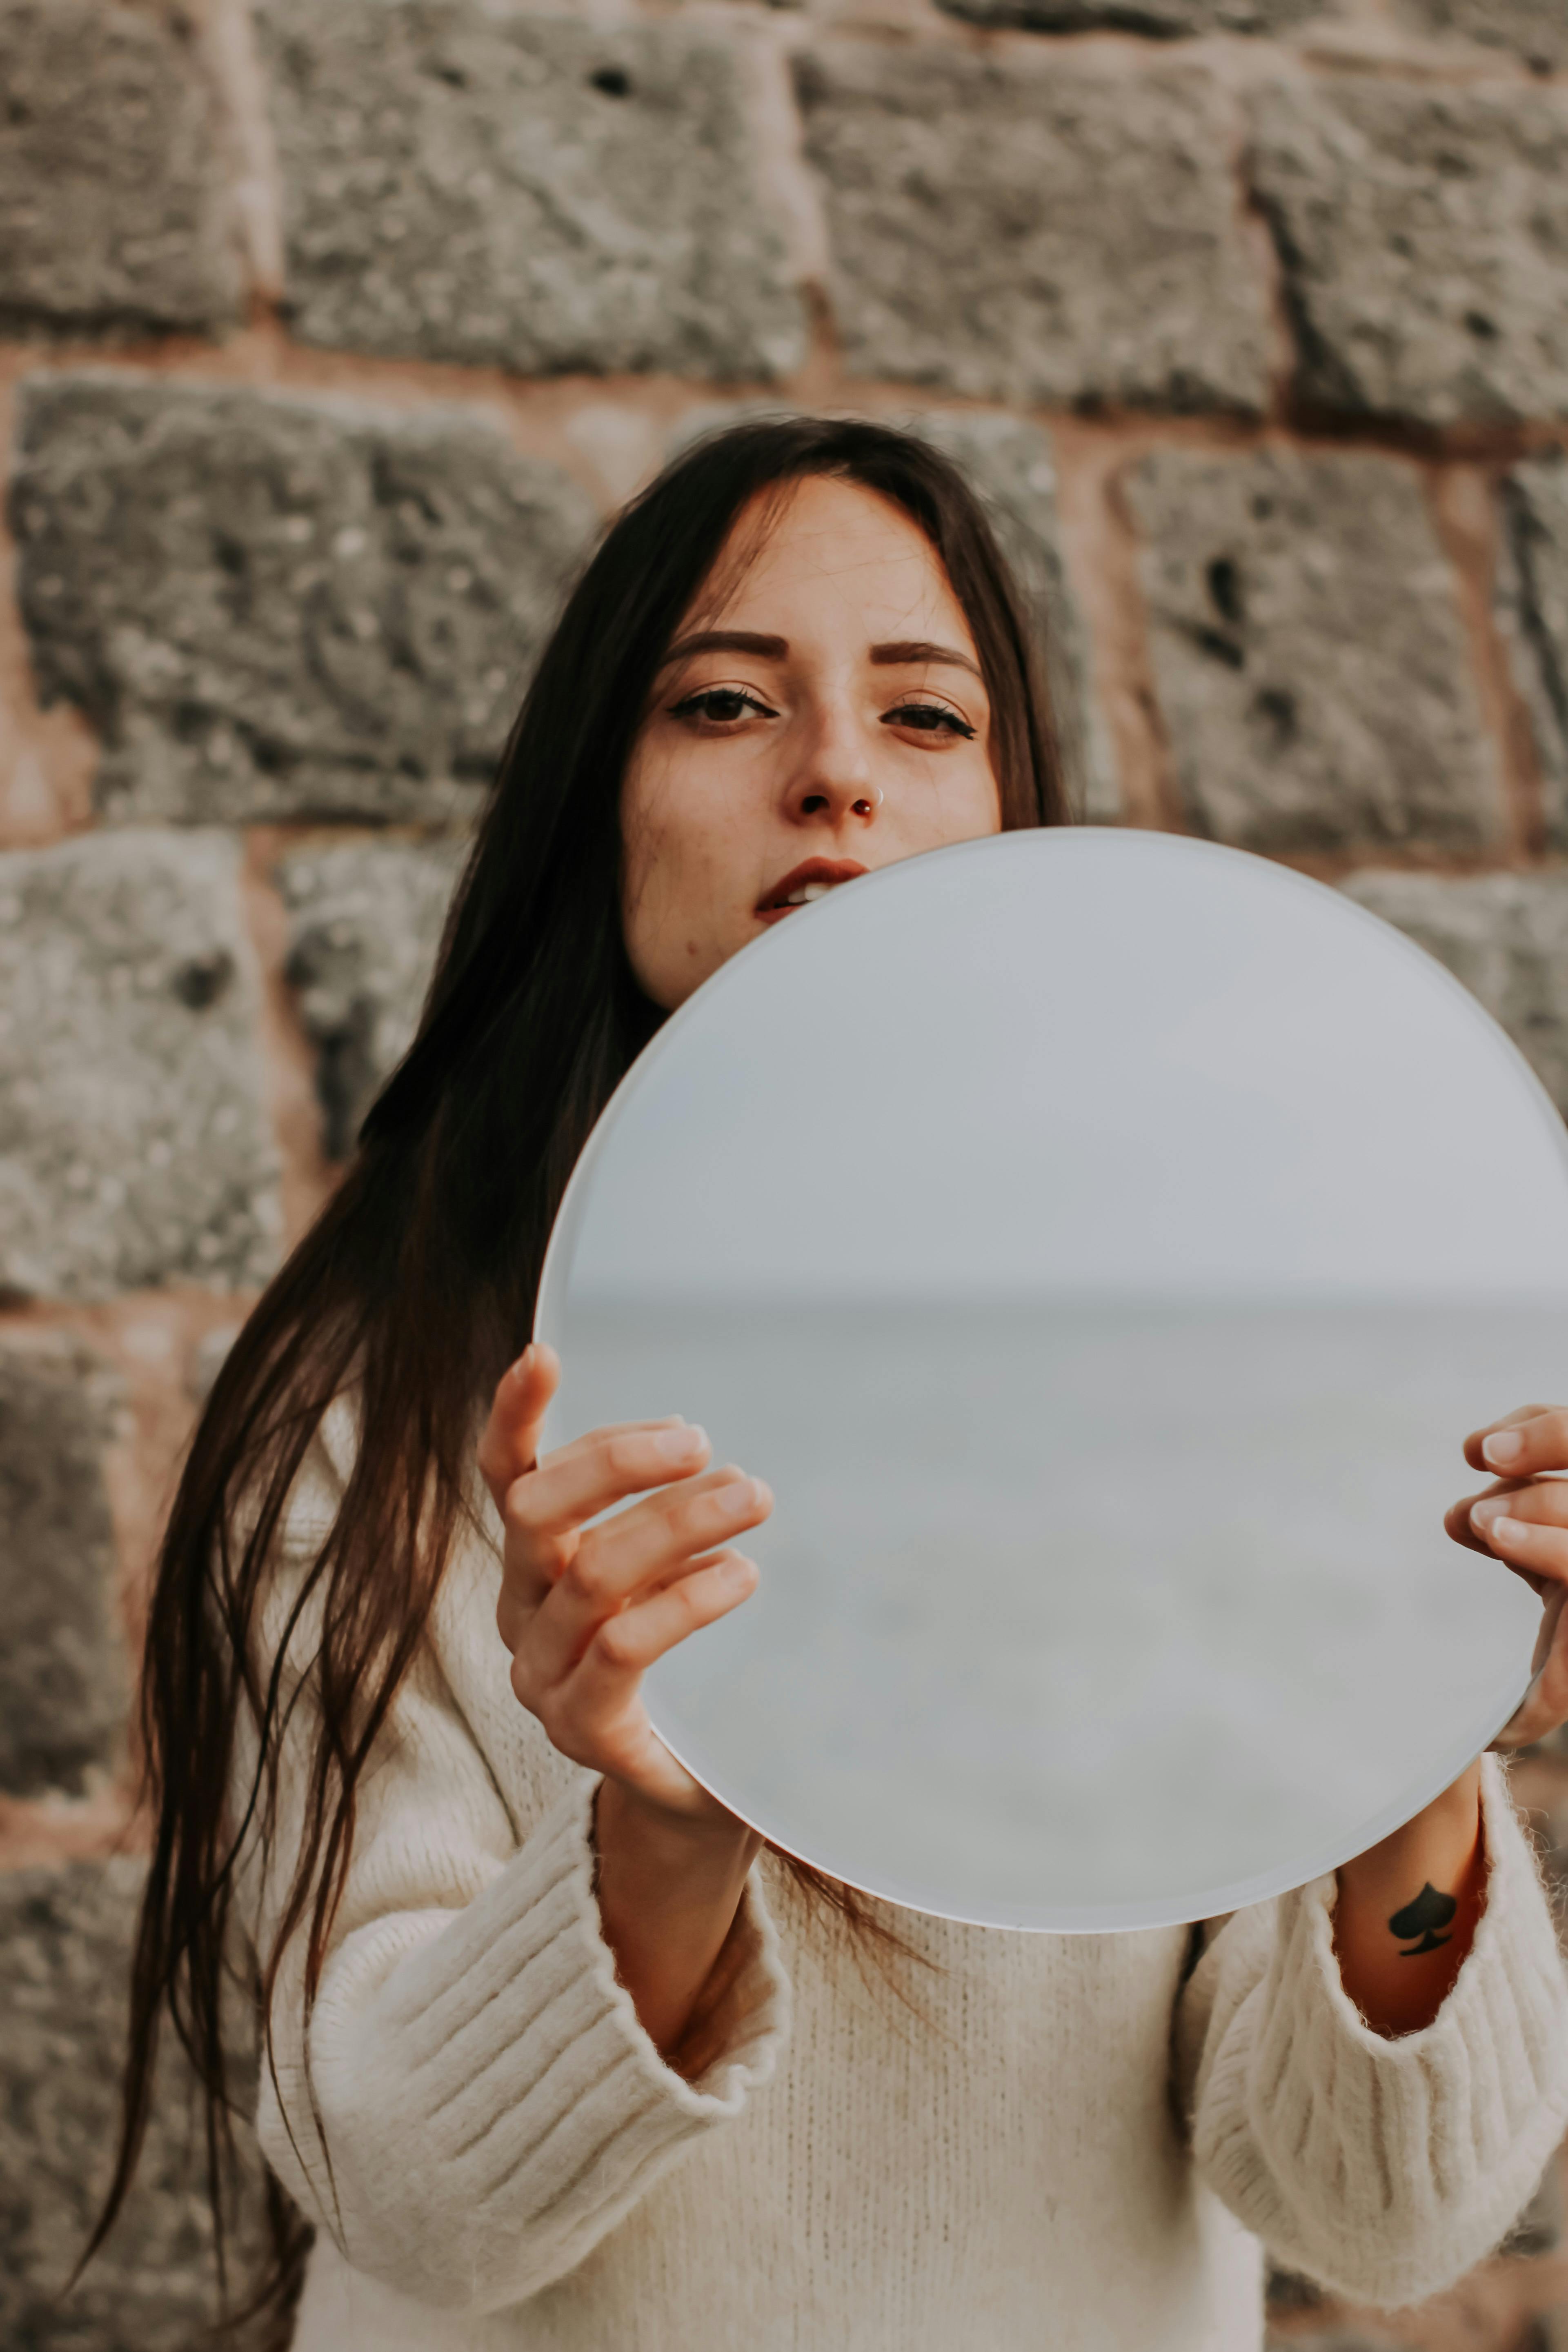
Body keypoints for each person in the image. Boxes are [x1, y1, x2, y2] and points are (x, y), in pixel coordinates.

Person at [97, 418, 1568, 2350]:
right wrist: (671, 1823)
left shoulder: (1204, 1367)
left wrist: (1420, 1736)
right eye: (722, 702)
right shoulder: (376, 1424)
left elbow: (1381, 2216)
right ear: (593, 806)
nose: (838, 778)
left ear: (1016, 826)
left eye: (929, 718)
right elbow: (402, 2203)